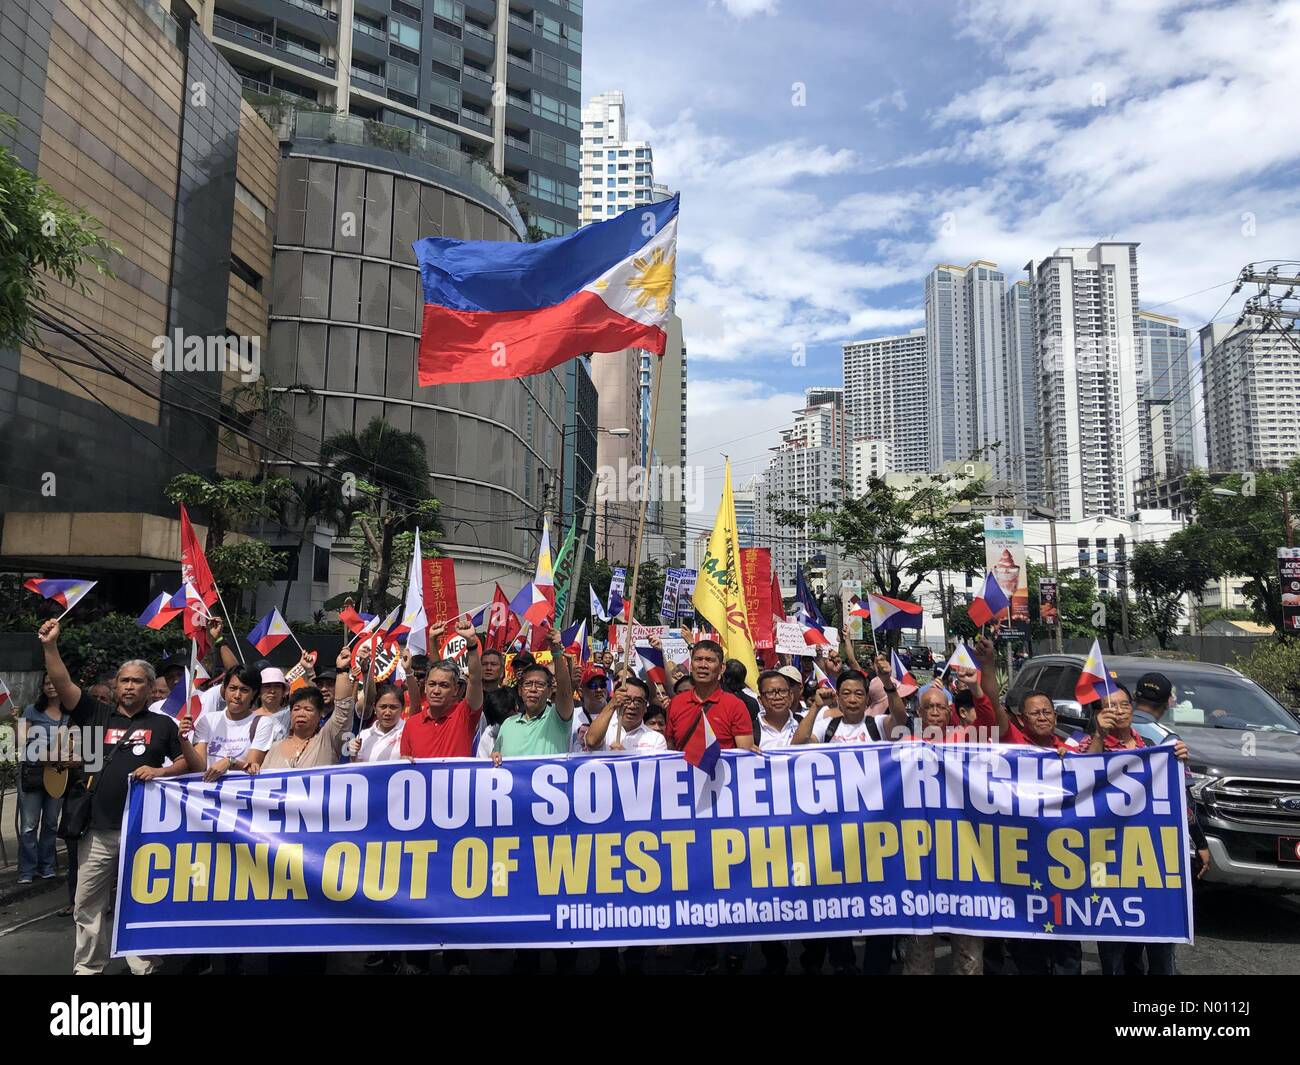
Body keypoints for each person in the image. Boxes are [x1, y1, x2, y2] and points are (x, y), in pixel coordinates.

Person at [38, 618, 201, 975]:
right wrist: (50, 646)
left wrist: (160, 771)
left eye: (137, 681)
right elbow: (63, 684)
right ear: (115, 685)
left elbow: (187, 764)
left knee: (139, 902)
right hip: (97, 830)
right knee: (87, 903)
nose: (129, 687)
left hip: (142, 832)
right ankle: (88, 968)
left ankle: (143, 964)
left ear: (149, 688)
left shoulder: (163, 725)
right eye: (124, 680)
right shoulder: (96, 714)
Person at [16, 676, 71, 894]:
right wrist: (47, 754)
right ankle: (26, 870)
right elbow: (21, 741)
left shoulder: (70, 713)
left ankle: (47, 866)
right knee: (29, 825)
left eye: (53, 683)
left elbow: (76, 742)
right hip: (32, 773)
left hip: (58, 774)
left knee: (50, 823)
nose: (50, 686)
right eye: (46, 683)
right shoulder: (31, 710)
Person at [492, 626, 574, 759]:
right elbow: (495, 758)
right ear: (519, 690)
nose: (533, 689)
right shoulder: (507, 724)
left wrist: (557, 653)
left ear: (549, 691)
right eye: (528, 684)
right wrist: (494, 757)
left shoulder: (558, 718)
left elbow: (565, 691)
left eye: (540, 685)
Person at [192, 665, 274, 781]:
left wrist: (230, 762)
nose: (237, 696)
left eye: (244, 690)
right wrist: (183, 740)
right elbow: (199, 767)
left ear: (254, 694)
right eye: (232, 688)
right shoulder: (207, 720)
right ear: (224, 689)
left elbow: (251, 768)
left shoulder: (263, 723)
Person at [584, 677, 668, 753]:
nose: (632, 706)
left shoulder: (656, 739)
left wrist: (625, 757)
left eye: (638, 701)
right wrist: (611, 705)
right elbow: (591, 742)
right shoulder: (605, 729)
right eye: (626, 700)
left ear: (645, 706)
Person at [570, 664, 610, 752]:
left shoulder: (617, 715)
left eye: (602, 685)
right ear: (581, 691)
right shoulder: (571, 717)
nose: (599, 689)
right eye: (593, 686)